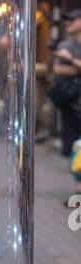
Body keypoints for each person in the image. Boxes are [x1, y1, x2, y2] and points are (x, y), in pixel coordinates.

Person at [50, 9, 81, 157]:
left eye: (73, 19)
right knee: (71, 152)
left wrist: (70, 60)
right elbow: (57, 69)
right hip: (70, 102)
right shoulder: (65, 45)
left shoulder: (67, 51)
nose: (68, 23)